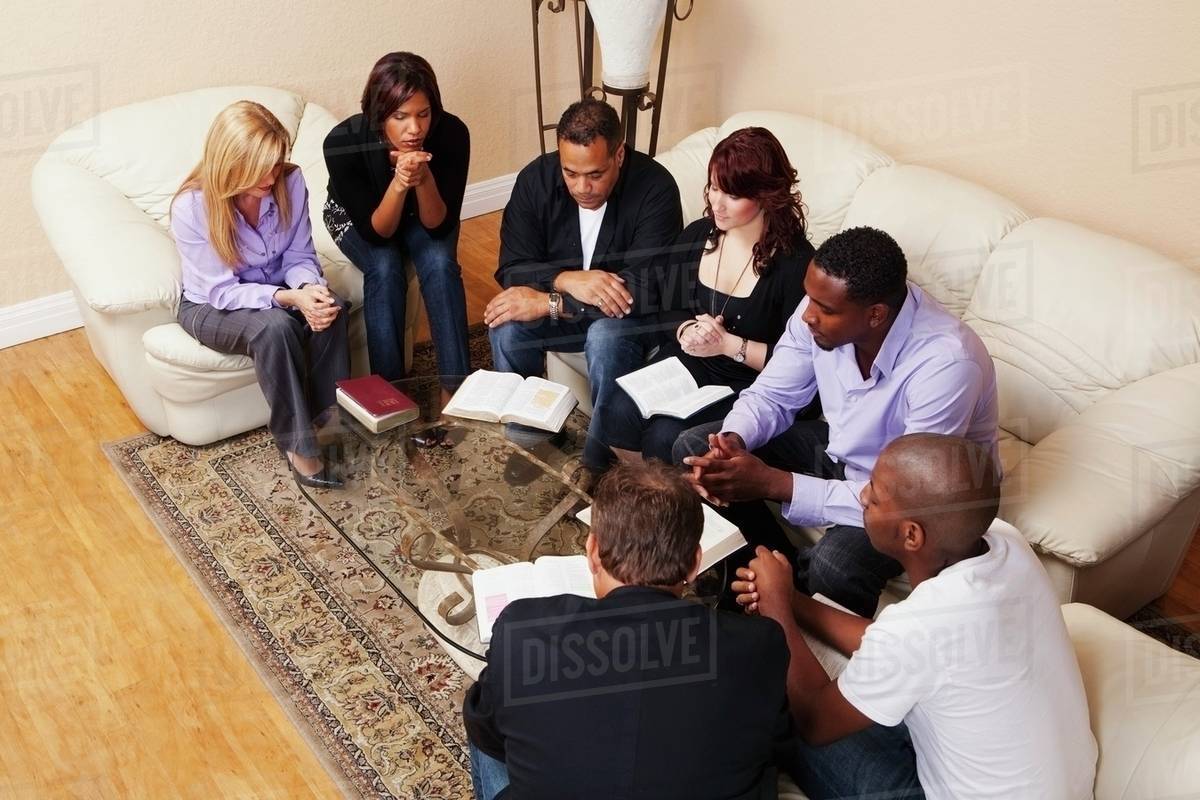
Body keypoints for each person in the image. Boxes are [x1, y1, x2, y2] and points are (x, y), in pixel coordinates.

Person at [733, 433, 1097, 799]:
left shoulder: (920, 627)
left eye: (873, 495)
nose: (861, 496)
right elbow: (909, 645)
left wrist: (776, 611)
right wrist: (791, 600)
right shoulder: (1006, 543)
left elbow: (814, 721)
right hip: (1056, 782)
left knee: (774, 707)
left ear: (911, 535)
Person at [675, 226, 999, 618]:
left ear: (875, 315)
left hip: (920, 499)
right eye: (810, 298)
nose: (807, 315)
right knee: (698, 449)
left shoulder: (946, 365)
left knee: (835, 565)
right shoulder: (818, 310)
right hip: (844, 448)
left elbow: (908, 499)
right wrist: (733, 440)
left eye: (825, 309)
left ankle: (803, 629)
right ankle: (773, 585)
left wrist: (774, 483)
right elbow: (773, 395)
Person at [462, 460, 791, 800]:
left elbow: (485, 730)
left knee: (489, 706)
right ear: (695, 563)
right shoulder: (759, 644)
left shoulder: (522, 628)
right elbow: (775, 741)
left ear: (592, 551)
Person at [592, 126, 818, 475]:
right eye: (713, 187)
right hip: (688, 360)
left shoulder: (796, 266)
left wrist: (729, 345)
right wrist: (685, 329)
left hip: (747, 382)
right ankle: (637, 492)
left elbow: (802, 367)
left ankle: (669, 509)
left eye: (732, 195)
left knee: (666, 434)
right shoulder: (700, 234)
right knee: (619, 406)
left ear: (766, 196)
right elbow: (665, 303)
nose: (717, 202)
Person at [485, 98, 682, 468]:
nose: (581, 187)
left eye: (595, 174)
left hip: (632, 319)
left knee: (606, 336)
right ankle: (527, 443)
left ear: (619, 155)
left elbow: (641, 291)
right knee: (507, 327)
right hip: (574, 312)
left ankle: (599, 464)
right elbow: (512, 266)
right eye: (570, 173)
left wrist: (549, 302)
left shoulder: (656, 188)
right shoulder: (536, 180)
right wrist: (566, 280)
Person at [171, 100, 348, 489]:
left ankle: (326, 424)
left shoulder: (291, 181)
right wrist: (287, 299)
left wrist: (308, 289)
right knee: (274, 328)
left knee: (332, 307)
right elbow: (221, 291)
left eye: (276, 161)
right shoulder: (192, 206)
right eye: (260, 167)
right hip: (210, 304)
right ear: (231, 161)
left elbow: (299, 255)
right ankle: (300, 449)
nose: (271, 176)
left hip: (277, 289)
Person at [323, 52, 470, 397]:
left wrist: (422, 177)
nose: (415, 128)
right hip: (361, 216)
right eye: (400, 117)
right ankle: (389, 395)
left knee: (439, 262)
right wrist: (401, 182)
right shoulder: (342, 142)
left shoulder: (452, 134)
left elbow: (437, 226)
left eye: (423, 114)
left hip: (425, 211)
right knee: (385, 266)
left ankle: (458, 390)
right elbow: (378, 233)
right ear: (378, 115)